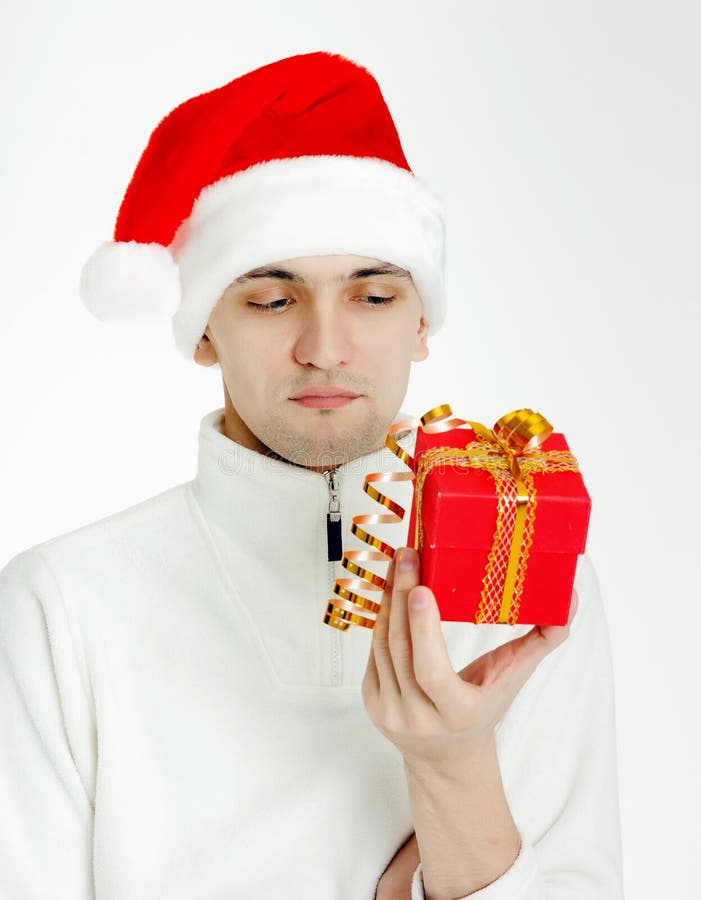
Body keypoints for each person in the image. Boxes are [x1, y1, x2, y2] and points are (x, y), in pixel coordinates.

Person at [0, 51, 623, 899]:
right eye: (270, 298)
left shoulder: (527, 582)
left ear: (422, 324)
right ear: (204, 328)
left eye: (372, 296)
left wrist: (453, 771)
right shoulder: (62, 604)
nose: (324, 347)